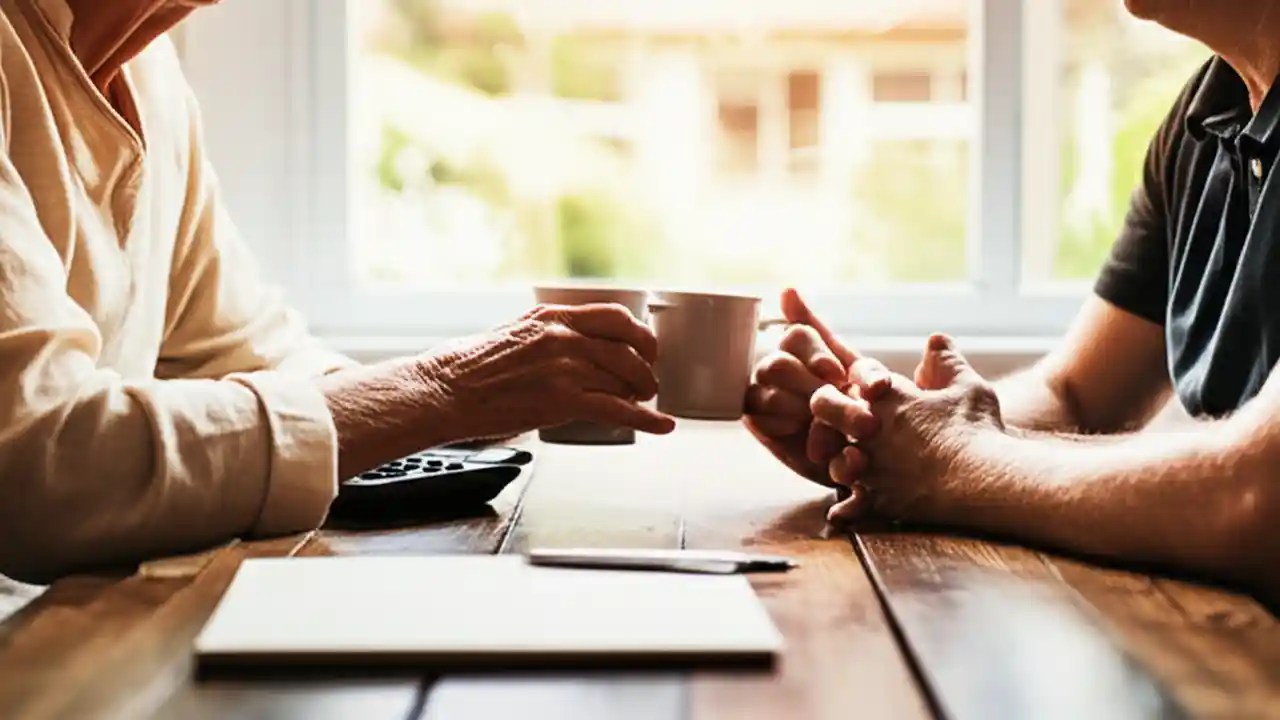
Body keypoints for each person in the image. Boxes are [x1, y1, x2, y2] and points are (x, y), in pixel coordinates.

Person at [0, 0, 674, 583]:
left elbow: (244, 353)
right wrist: (441, 390)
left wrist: (483, 397)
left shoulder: (152, 78)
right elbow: (44, 466)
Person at [747, 0, 1280, 604]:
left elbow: (1259, 496)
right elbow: (1073, 396)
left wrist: (953, 462)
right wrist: (885, 430)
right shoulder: (1210, 113)